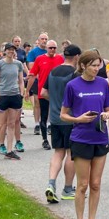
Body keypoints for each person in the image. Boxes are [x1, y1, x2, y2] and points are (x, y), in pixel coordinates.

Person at [60, 51, 109, 219]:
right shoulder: (72, 85)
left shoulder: (103, 84)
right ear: (83, 65)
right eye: (93, 65)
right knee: (82, 185)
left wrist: (107, 115)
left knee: (96, 184)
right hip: (81, 139)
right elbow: (63, 114)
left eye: (99, 65)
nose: (97, 69)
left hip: (100, 138)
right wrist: (78, 119)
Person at [45, 44, 81, 203]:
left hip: (54, 118)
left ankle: (51, 184)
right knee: (71, 153)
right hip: (70, 119)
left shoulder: (53, 71)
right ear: (77, 57)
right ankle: (67, 189)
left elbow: (43, 92)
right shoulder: (75, 74)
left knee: (58, 152)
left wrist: (55, 102)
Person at [0, 43, 25, 162]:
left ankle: (9, 151)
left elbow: (21, 81)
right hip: (3, 96)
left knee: (11, 124)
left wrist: (21, 93)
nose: (11, 51)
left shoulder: (18, 64)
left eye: (13, 50)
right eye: (8, 49)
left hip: (15, 96)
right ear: (5, 51)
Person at [28, 39, 63, 149]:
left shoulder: (60, 59)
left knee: (58, 116)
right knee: (44, 116)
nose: (52, 50)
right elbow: (33, 74)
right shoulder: (40, 59)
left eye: (54, 48)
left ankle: (58, 139)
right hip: (44, 93)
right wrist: (27, 90)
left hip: (57, 93)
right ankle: (44, 140)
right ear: (46, 48)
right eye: (50, 48)